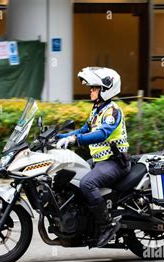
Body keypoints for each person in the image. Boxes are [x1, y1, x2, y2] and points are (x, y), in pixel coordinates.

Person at [56, 67, 131, 248]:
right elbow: (84, 130)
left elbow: (102, 134)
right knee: (71, 175)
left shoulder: (112, 112)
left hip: (115, 162)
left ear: (106, 89)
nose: (90, 91)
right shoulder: (98, 109)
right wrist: (57, 136)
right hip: (100, 162)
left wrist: (75, 139)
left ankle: (107, 225)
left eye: (94, 88)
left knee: (87, 184)